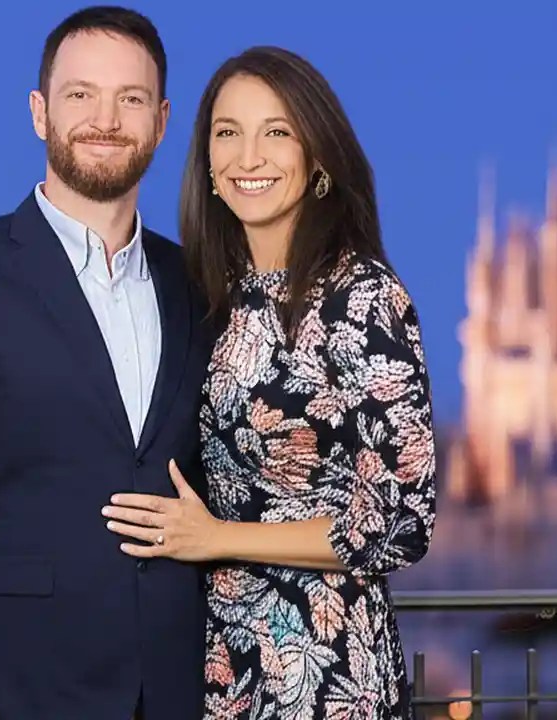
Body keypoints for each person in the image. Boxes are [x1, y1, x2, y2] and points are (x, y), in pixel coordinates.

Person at [0, 6, 213, 720]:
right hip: (13, 695)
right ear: (39, 112)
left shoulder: (199, 286)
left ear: (161, 120)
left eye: (131, 99)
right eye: (80, 94)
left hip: (181, 690)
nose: (105, 118)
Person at [102, 46, 436, 719]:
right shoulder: (218, 301)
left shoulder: (359, 296)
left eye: (276, 132)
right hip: (224, 656)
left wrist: (218, 537)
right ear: (209, 166)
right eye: (228, 133)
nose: (248, 157)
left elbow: (402, 523)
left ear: (317, 160)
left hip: (324, 662)